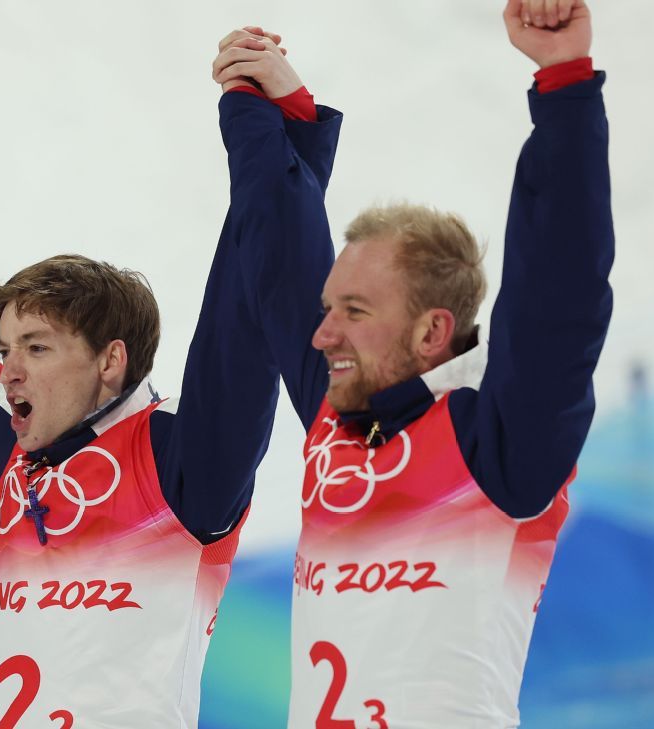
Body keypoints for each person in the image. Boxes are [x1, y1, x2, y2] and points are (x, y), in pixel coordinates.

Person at [0, 29, 341, 728]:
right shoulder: (10, 452)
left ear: (111, 361)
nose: (9, 369)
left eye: (37, 348)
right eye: (6, 346)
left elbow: (247, 311)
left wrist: (279, 129)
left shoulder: (181, 461)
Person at [259, 1, 614, 726]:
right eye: (329, 308)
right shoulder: (338, 413)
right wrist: (285, 122)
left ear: (432, 332)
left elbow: (559, 294)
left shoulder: (500, 445)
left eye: (355, 310)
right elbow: (280, 258)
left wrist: (564, 83)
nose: (321, 335)